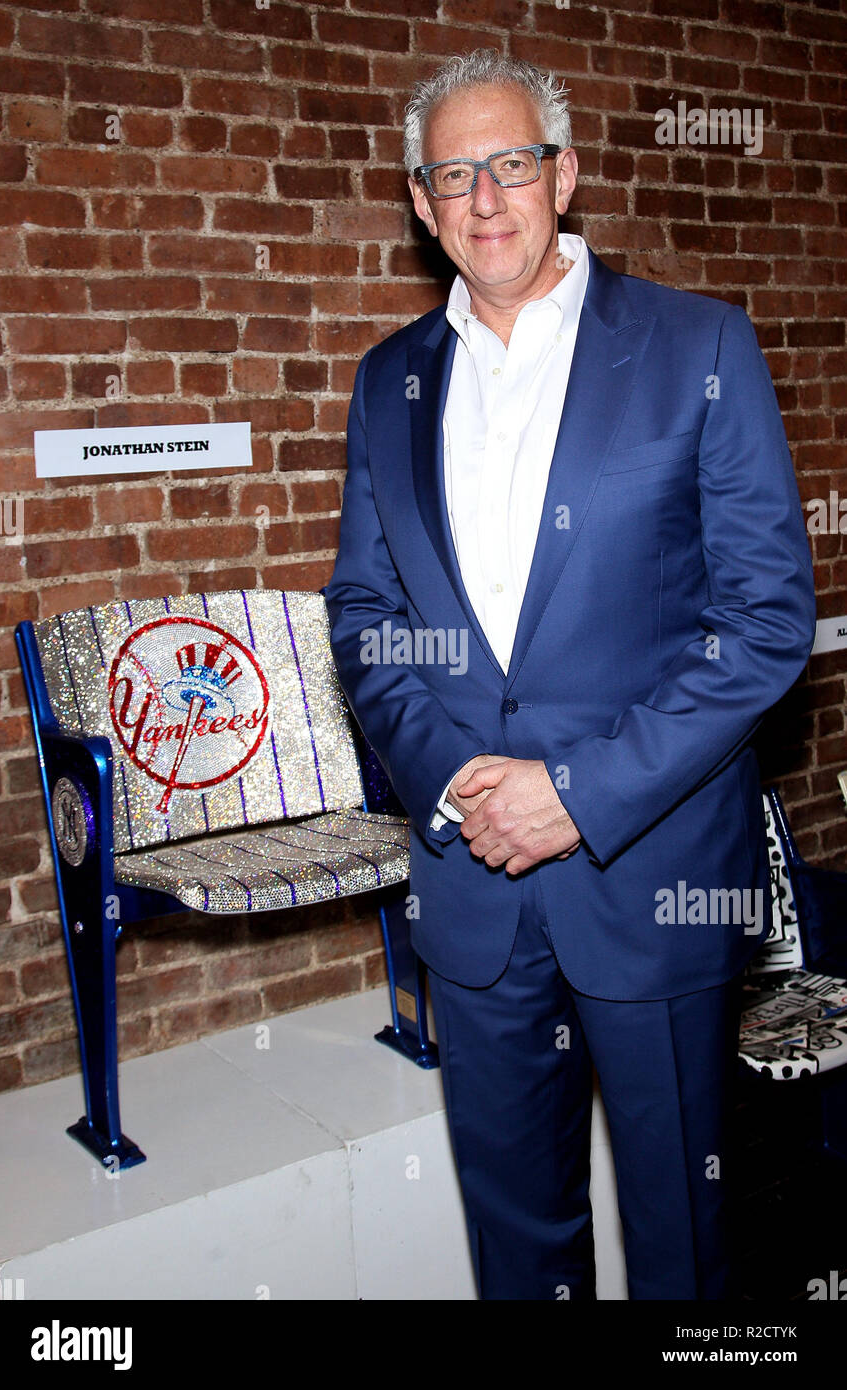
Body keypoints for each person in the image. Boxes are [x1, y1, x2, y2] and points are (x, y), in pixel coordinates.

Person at [324, 49, 816, 1300]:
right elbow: (368, 618)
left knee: (682, 1241)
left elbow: (763, 624)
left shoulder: (694, 345)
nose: (484, 199)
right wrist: (458, 785)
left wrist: (576, 794)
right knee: (518, 1242)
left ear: (565, 175)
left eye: (510, 164)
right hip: (470, 879)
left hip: (646, 877)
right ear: (421, 207)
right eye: (452, 176)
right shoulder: (389, 382)